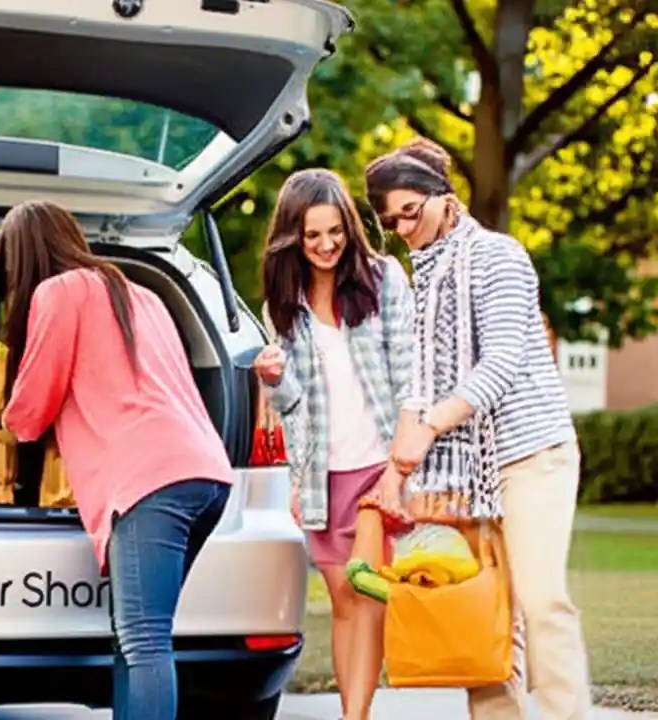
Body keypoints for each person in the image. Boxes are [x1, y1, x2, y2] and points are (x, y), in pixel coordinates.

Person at [364, 137, 589, 720]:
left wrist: (433, 424)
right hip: (466, 473)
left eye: (411, 212)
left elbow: (503, 361)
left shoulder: (498, 256)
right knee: (481, 612)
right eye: (391, 222)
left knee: (541, 603)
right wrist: (397, 472)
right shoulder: (425, 282)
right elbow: (419, 383)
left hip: (532, 454)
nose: (404, 230)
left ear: (443, 196)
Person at [0, 200, 234, 720]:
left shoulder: (59, 292)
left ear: (25, 254)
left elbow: (33, 409)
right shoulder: (142, 293)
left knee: (144, 639)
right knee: (134, 638)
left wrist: (0, 420)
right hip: (207, 472)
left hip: (151, 480)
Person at [252, 169, 414, 720]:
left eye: (334, 231)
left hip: (379, 469)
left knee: (366, 596)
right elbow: (295, 407)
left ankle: (356, 715)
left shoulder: (384, 278)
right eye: (311, 235)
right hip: (325, 476)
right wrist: (275, 378)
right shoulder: (286, 302)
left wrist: (403, 466)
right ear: (292, 237)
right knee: (345, 601)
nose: (326, 245)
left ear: (349, 225)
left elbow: (410, 374)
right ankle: (356, 713)